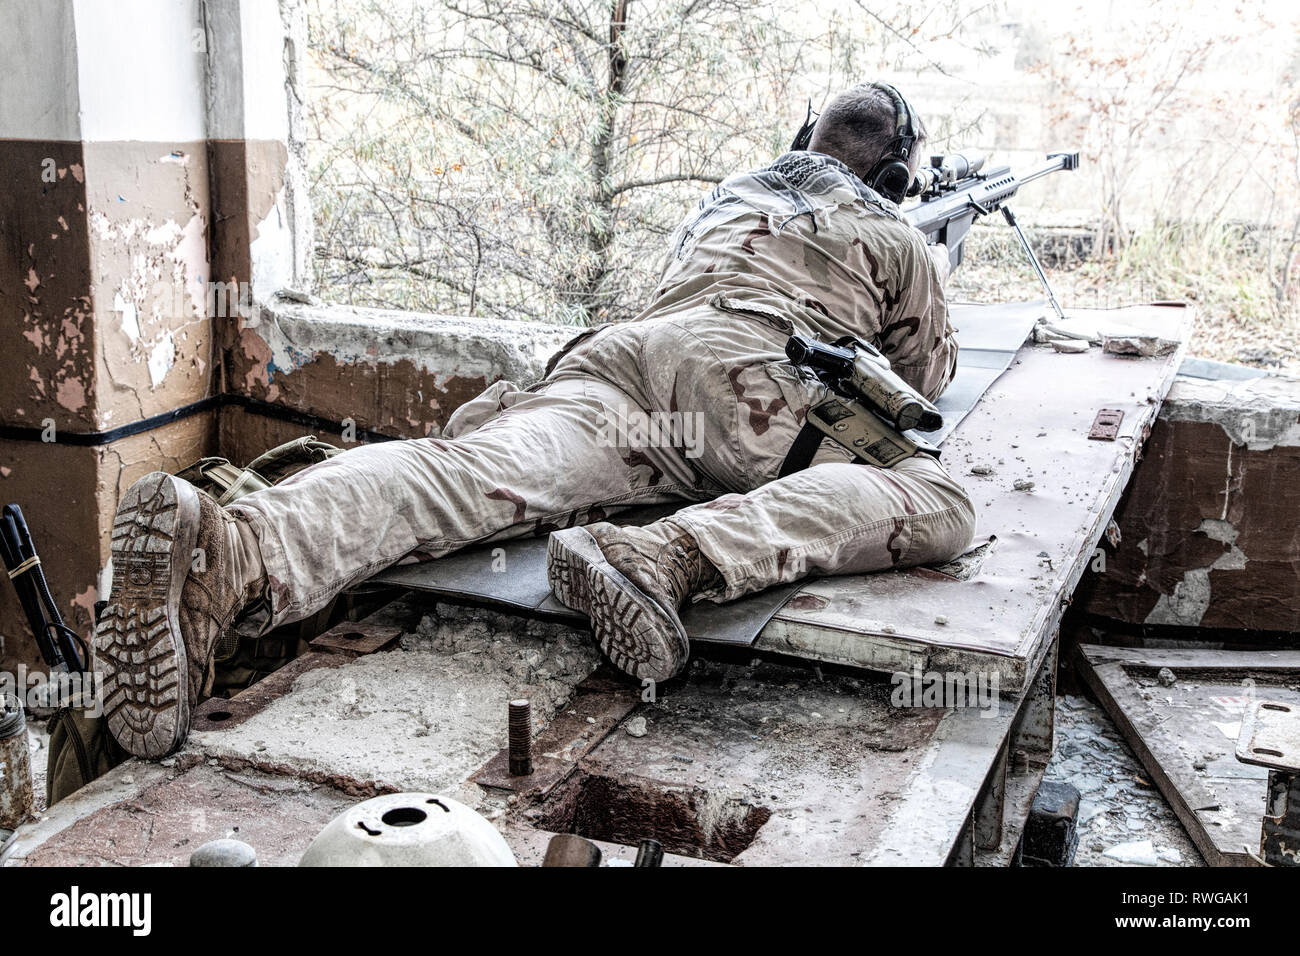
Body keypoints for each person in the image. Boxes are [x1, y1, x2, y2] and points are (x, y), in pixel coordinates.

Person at [95, 82, 975, 759]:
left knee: (466, 473)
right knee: (939, 503)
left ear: (803, 139)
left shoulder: (729, 195)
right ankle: (663, 556)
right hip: (752, 386)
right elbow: (923, 378)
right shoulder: (891, 229)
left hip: (622, 360)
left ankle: (236, 548)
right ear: (896, 179)